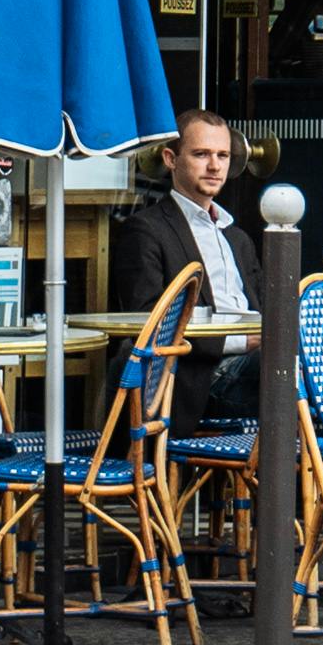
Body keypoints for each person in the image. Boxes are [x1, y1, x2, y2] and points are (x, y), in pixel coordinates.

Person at [109, 110, 266, 428]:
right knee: (283, 369)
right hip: (197, 380)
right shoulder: (146, 230)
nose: (215, 166)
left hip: (253, 367)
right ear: (170, 159)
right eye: (201, 154)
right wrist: (240, 341)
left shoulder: (237, 238)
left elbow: (266, 308)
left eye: (223, 155)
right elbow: (147, 321)